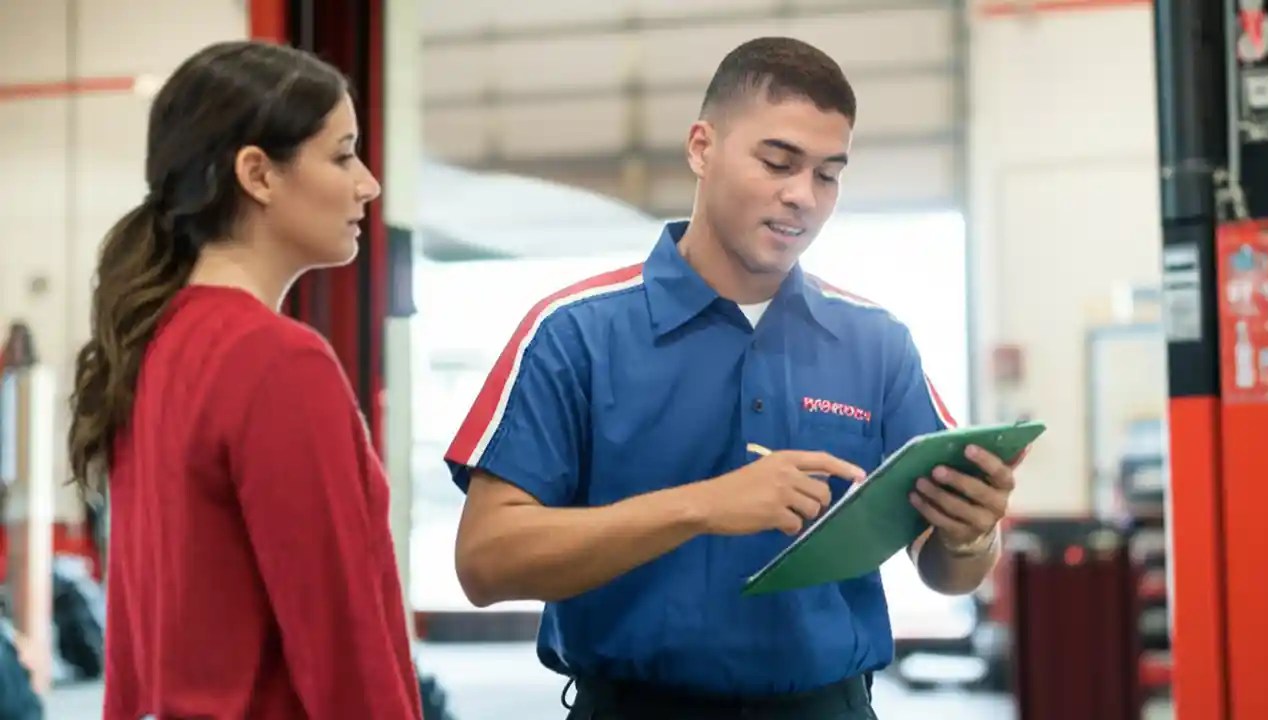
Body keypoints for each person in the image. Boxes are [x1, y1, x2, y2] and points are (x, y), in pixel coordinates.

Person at [445, 36, 1030, 720]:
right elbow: (486, 562)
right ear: (702, 148)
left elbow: (947, 570)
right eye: (778, 162)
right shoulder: (574, 334)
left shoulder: (875, 343)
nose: (802, 196)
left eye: (827, 175)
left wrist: (971, 535)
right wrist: (703, 506)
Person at [66, 40, 422, 720]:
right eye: (342, 155)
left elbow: (136, 648)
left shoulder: (151, 344)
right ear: (258, 174)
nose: (368, 183)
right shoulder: (278, 361)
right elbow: (342, 640)